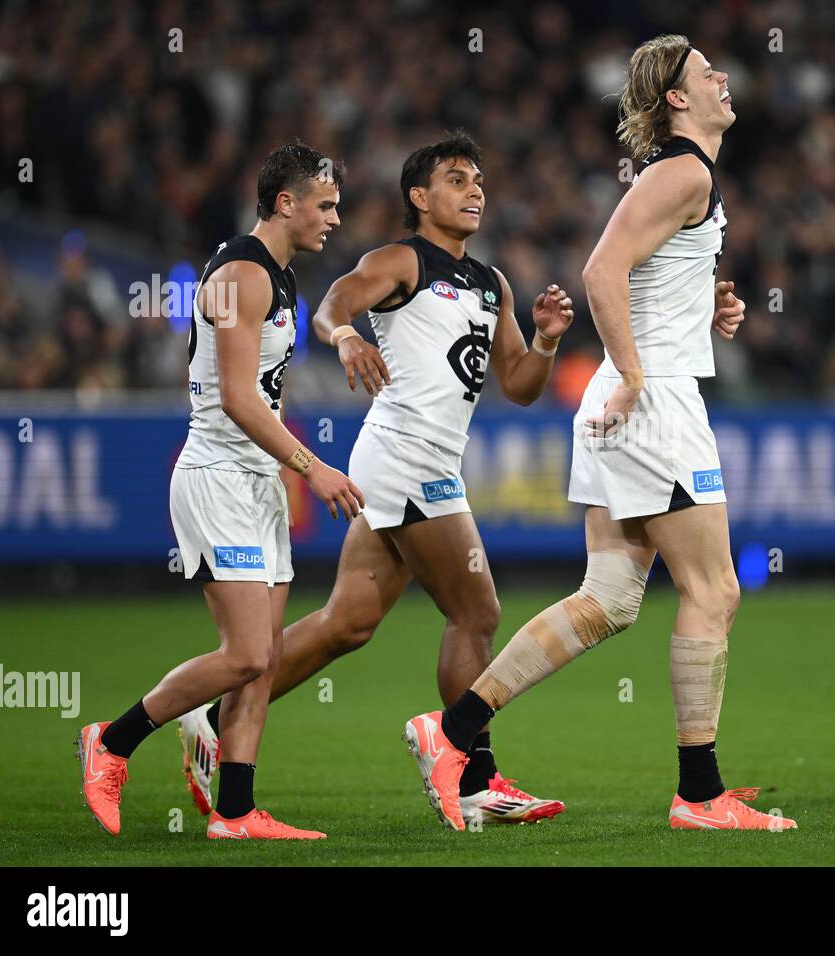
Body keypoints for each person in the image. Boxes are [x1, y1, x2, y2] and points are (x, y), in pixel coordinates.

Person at [406, 36, 796, 832]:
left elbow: (647, 278)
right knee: (714, 591)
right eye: (705, 72)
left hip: (630, 398)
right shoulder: (684, 169)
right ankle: (698, 793)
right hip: (649, 404)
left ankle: (450, 732)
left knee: (610, 599)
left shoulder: (688, 177)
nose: (724, 77)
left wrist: (703, 315)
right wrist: (638, 372)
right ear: (678, 101)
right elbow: (599, 271)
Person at [177, 131, 572, 826]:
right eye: (456, 179)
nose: (475, 189)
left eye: (478, 178)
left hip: (424, 461)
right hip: (404, 454)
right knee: (476, 612)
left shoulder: (491, 282)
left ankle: (216, 716)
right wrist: (348, 335)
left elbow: (520, 385)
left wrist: (543, 339)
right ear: (419, 198)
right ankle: (471, 774)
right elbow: (332, 303)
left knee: (346, 624)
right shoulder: (399, 260)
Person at [78, 142, 363, 840]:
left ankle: (235, 811)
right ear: (285, 202)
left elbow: (262, 387)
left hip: (257, 482)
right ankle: (112, 742)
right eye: (325, 204)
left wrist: (284, 472)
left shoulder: (280, 278)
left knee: (260, 663)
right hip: (216, 479)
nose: (336, 217)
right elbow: (237, 397)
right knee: (245, 655)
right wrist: (312, 467)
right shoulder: (242, 272)